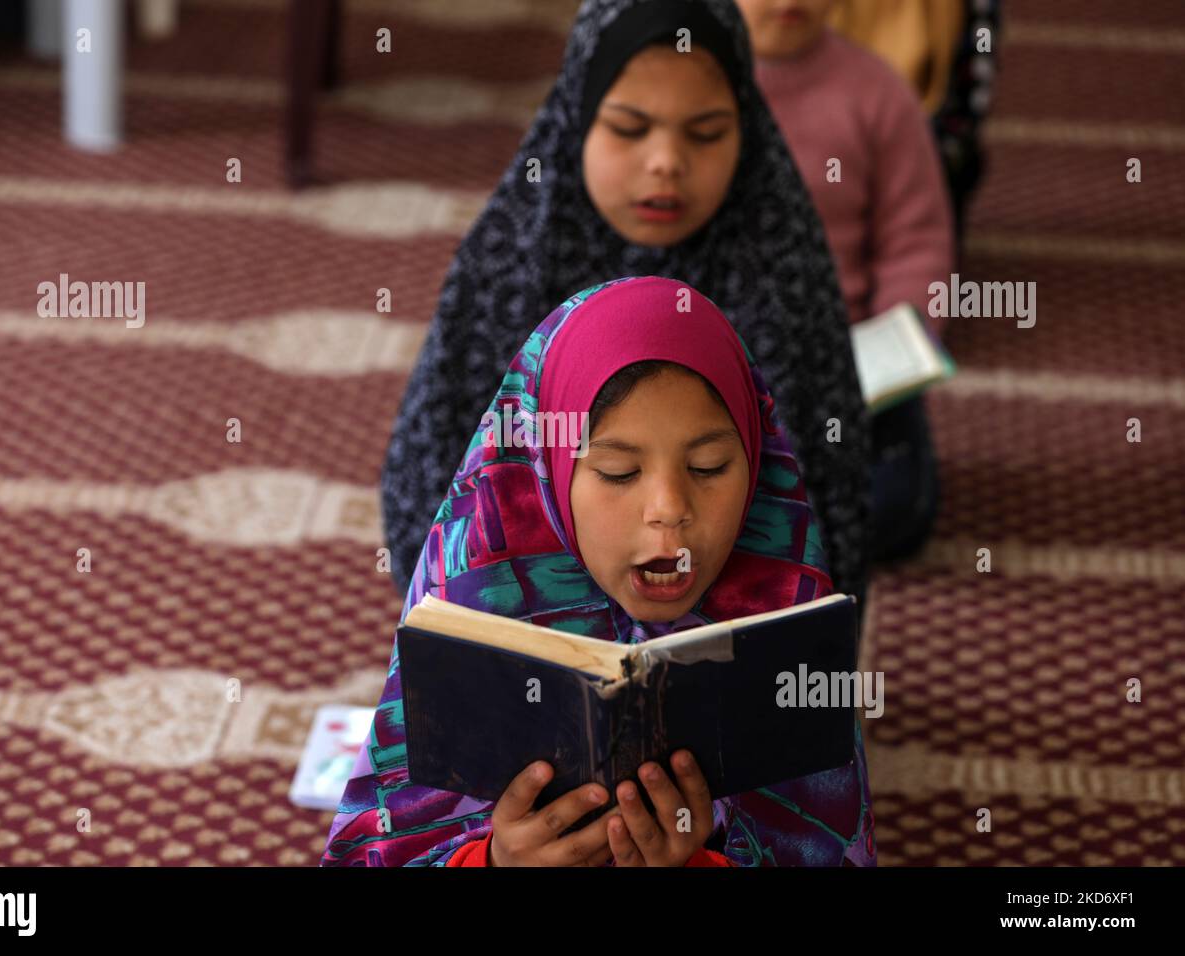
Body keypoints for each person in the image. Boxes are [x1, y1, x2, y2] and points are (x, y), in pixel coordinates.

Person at [322, 277, 876, 867]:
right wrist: (496, 862)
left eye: (709, 466)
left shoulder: (782, 624)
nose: (669, 508)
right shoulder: (473, 604)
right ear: (547, 473)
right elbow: (377, 852)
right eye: (617, 471)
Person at [380, 0, 871, 613]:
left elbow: (834, 497)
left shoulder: (781, 266)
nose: (666, 161)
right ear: (578, 121)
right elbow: (430, 494)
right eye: (630, 128)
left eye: (707, 132)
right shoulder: (510, 264)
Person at [736, 0, 954, 560]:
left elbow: (916, 241)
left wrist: (901, 340)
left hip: (850, 368)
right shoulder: (693, 88)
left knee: (894, 508)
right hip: (726, 362)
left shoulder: (878, 91)